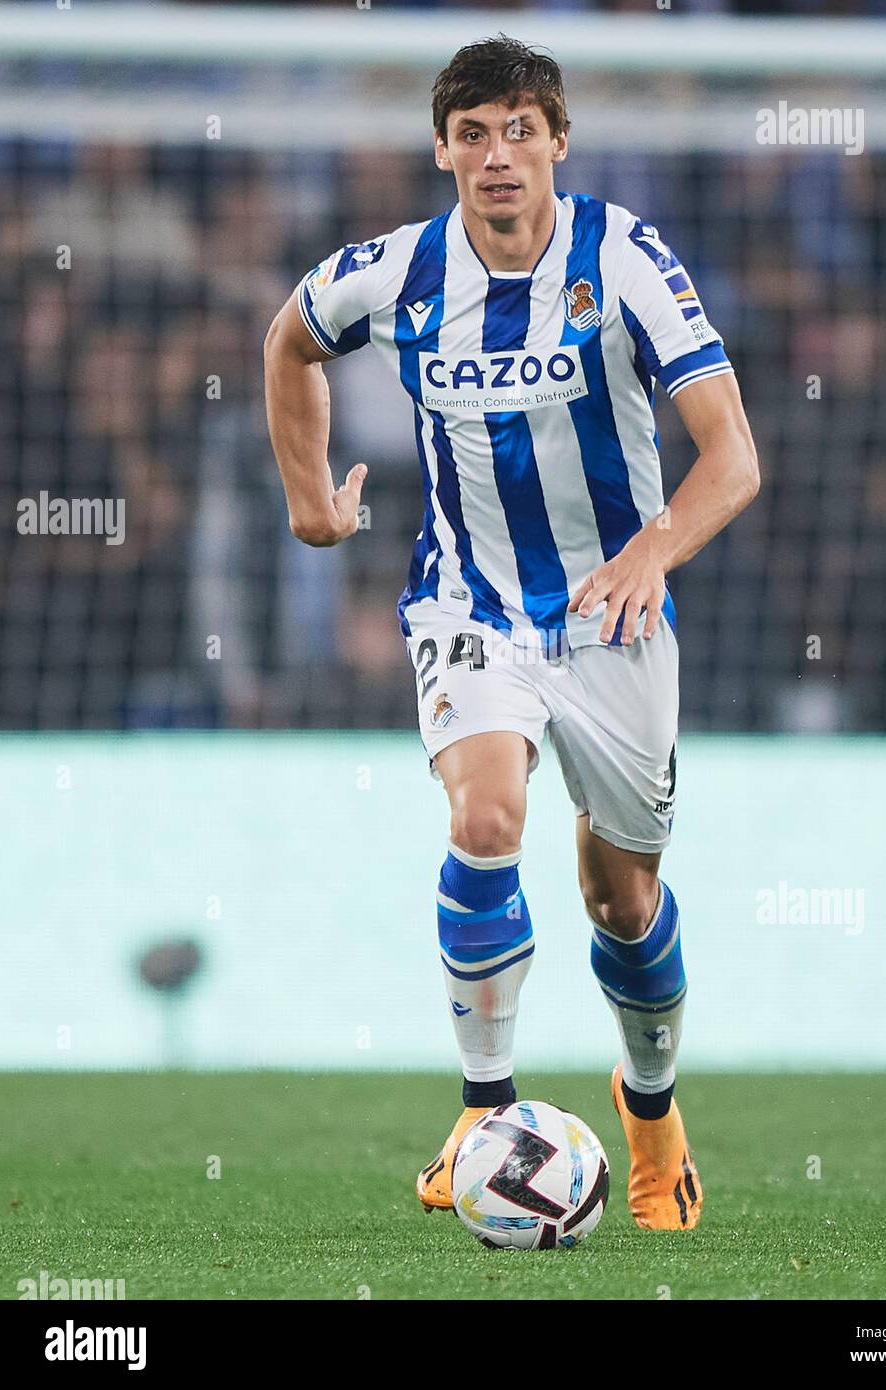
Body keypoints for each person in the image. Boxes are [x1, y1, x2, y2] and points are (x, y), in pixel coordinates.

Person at [264, 35, 759, 1231]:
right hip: (469, 605)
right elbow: (288, 341)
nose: (497, 156)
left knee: (623, 901)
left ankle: (650, 1114)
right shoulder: (393, 272)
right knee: (485, 818)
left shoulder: (624, 258)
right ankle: (484, 1113)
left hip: (612, 615)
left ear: (557, 141)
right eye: (473, 132)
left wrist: (649, 550)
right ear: (441, 148)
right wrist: (307, 499)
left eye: (519, 129)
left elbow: (731, 455)